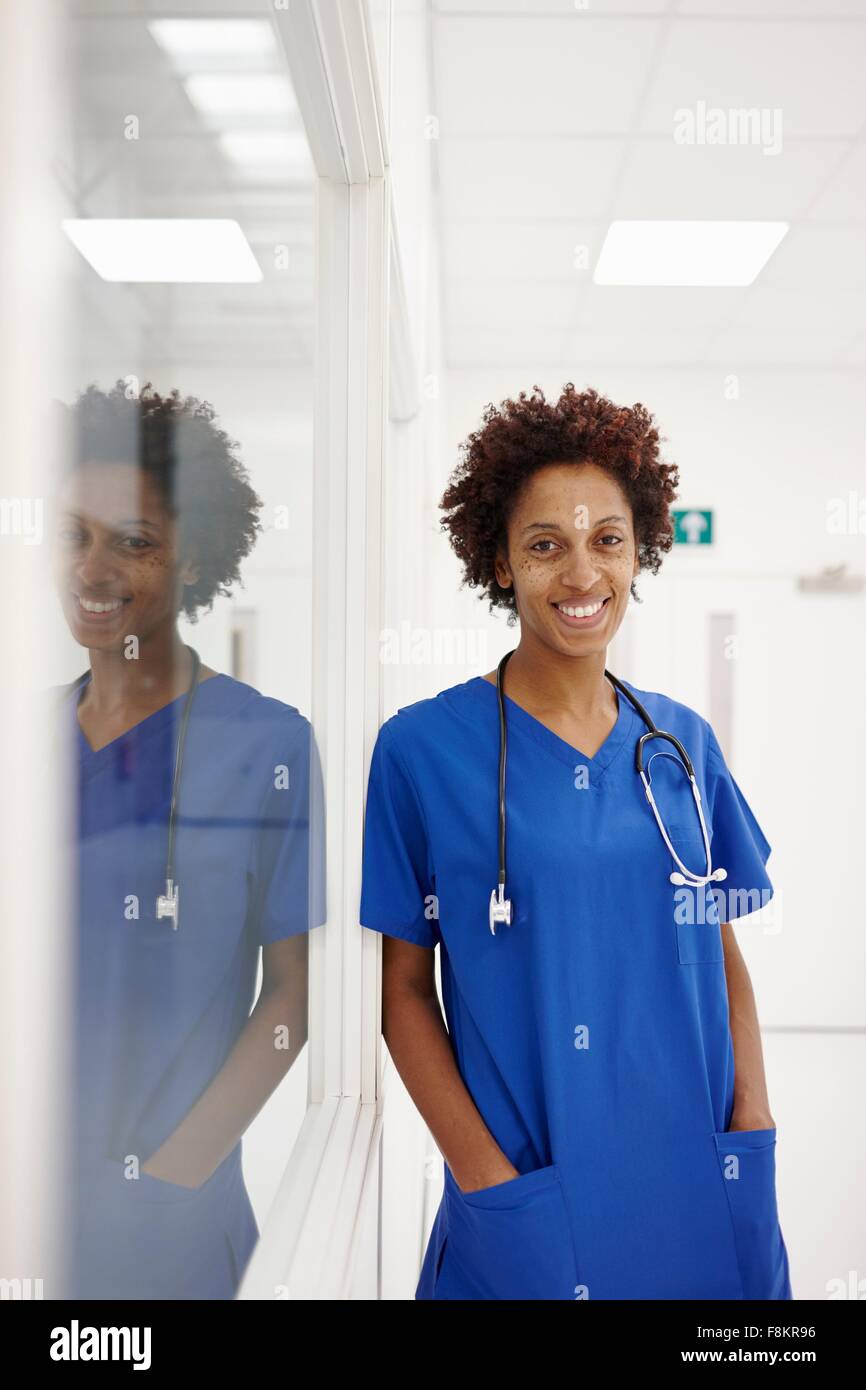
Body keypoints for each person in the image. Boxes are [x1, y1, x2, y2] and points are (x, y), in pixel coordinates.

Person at [359, 383, 792, 1300]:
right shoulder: (422, 751)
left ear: (641, 555)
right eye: (545, 545)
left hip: (703, 1177)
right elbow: (402, 994)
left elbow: (720, 944)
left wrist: (751, 1115)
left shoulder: (682, 745)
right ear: (501, 563)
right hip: (530, 1196)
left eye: (608, 541)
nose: (582, 574)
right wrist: (485, 1179)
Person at [51, 381, 325, 1300]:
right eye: (74, 534)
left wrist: (179, 1175)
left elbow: (297, 995)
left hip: (172, 1222)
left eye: (132, 541)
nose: (92, 571)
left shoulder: (267, 746)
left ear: (192, 555)